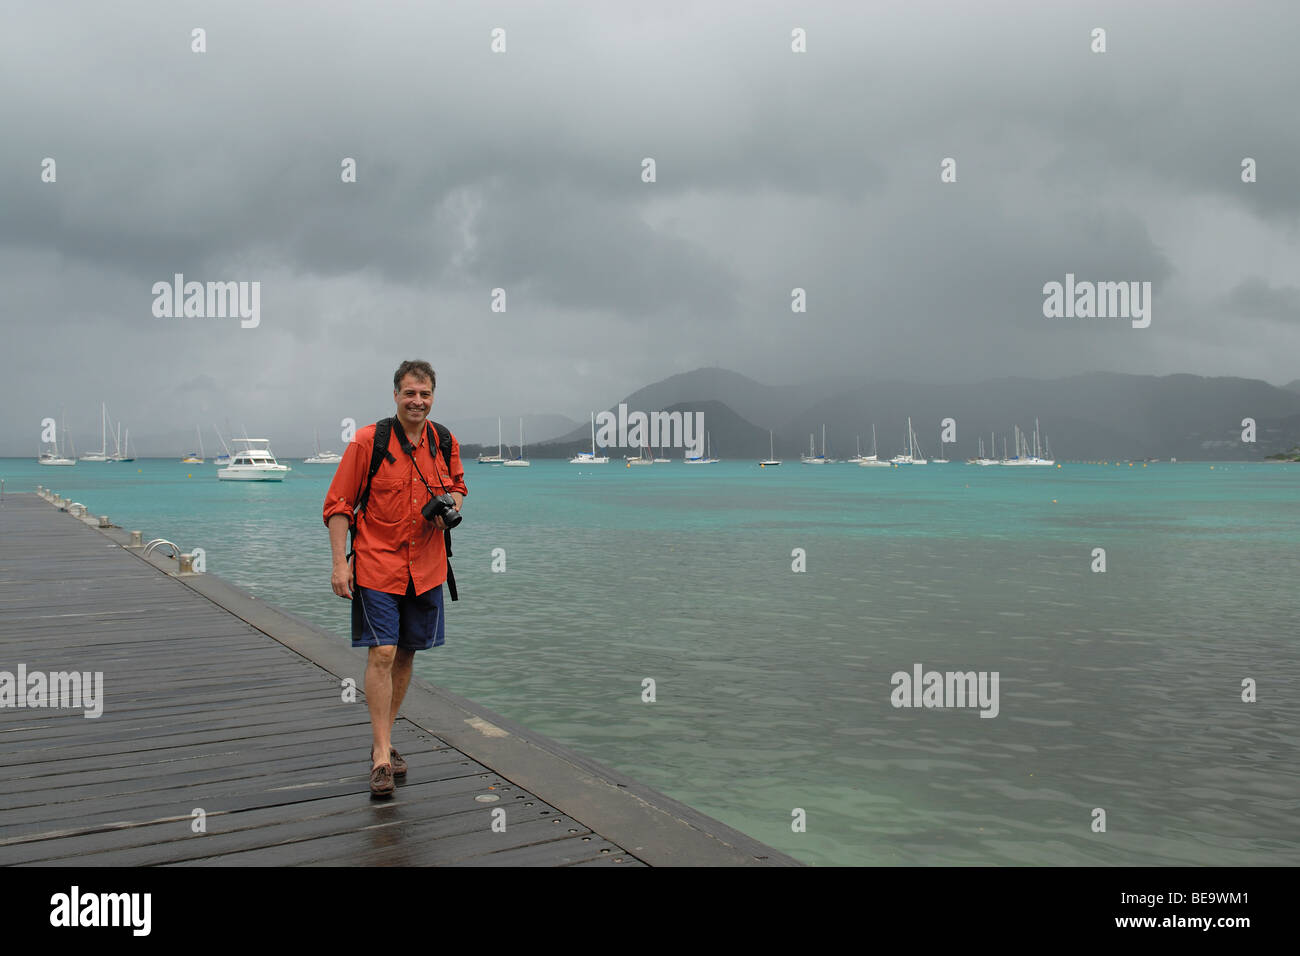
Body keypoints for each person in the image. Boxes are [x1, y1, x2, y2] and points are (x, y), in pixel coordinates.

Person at [323, 360, 467, 797]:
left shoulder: (444, 441)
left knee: (406, 654)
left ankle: (380, 740)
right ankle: (383, 757)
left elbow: (459, 486)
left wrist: (450, 510)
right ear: (395, 395)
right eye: (409, 393)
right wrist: (338, 564)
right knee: (382, 651)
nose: (417, 401)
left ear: (433, 397)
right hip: (377, 565)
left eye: (424, 394)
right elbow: (338, 505)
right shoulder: (369, 441)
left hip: (426, 568)